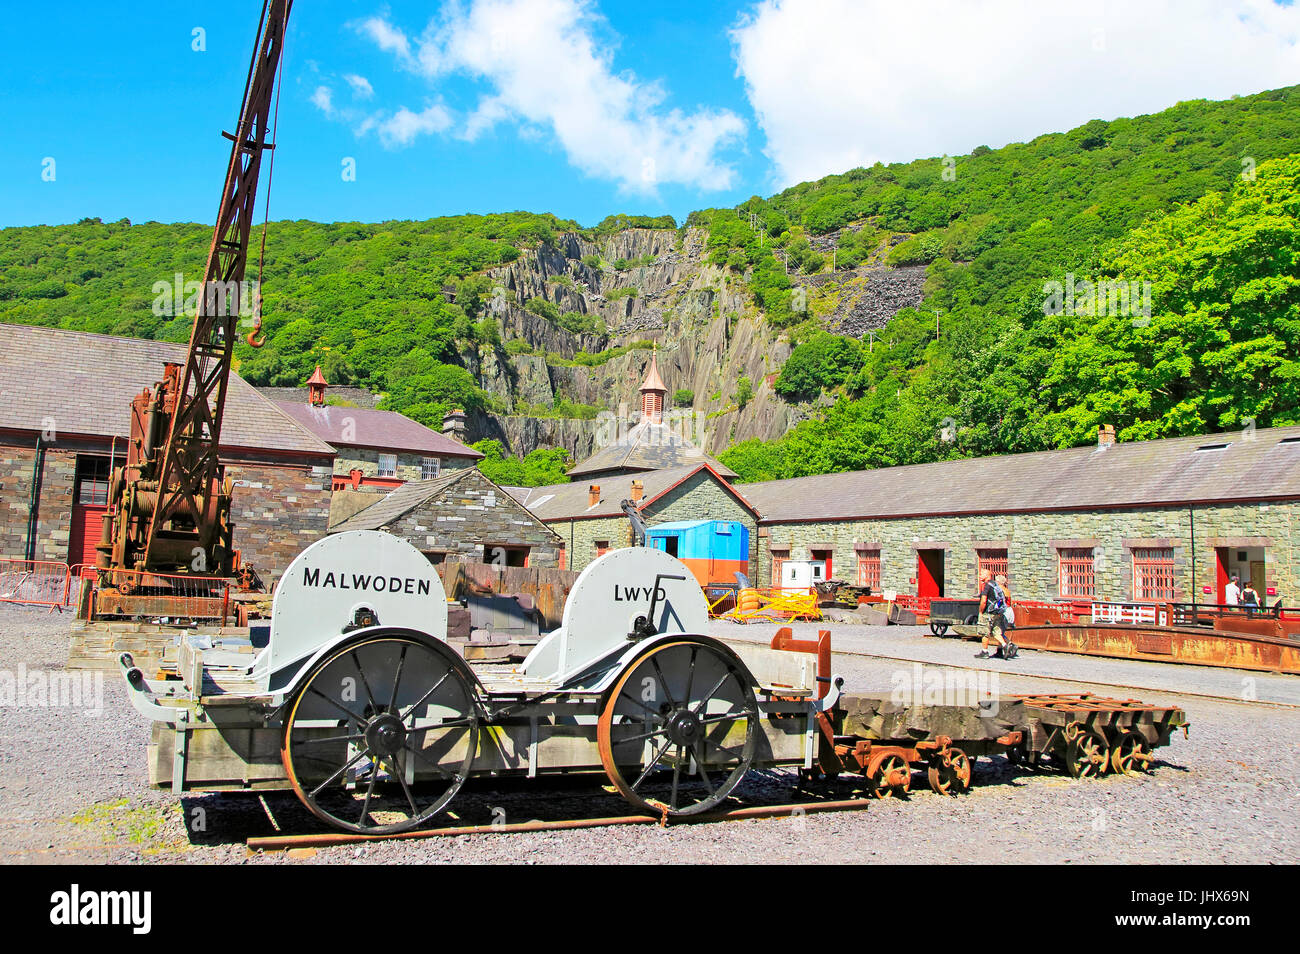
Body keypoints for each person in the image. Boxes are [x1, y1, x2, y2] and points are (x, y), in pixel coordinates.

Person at [974, 569, 1017, 660]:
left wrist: (981, 612)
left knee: (985, 633)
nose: (980, 576)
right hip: (998, 613)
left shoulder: (987, 586)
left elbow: (984, 601)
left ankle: (984, 652)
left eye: (981, 574)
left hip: (988, 613)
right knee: (997, 632)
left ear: (987, 575)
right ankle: (1006, 645)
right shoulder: (995, 584)